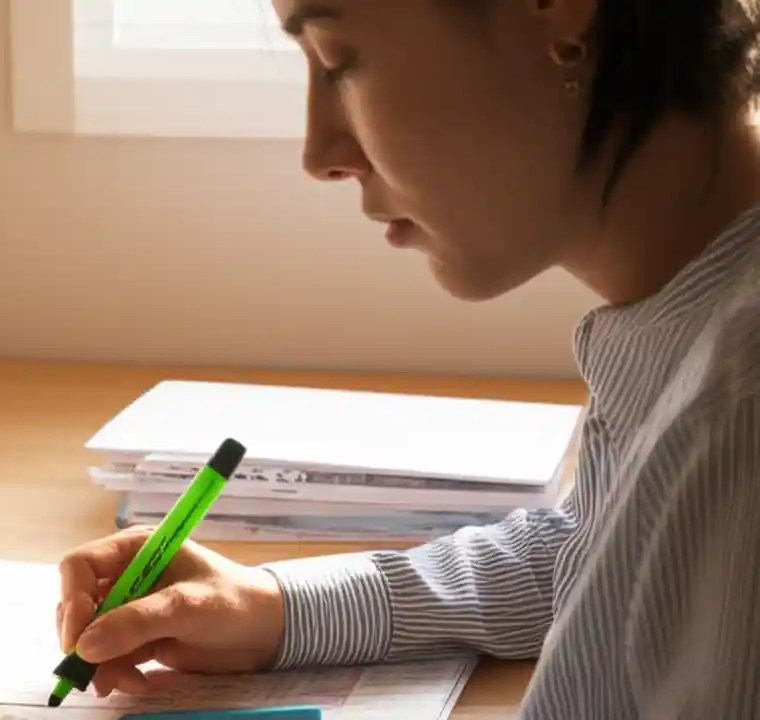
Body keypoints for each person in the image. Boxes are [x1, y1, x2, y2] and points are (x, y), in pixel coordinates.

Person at [54, 1, 760, 718]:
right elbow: (600, 555)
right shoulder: (694, 326)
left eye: (339, 62)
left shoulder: (738, 414)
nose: (319, 154)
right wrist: (277, 609)